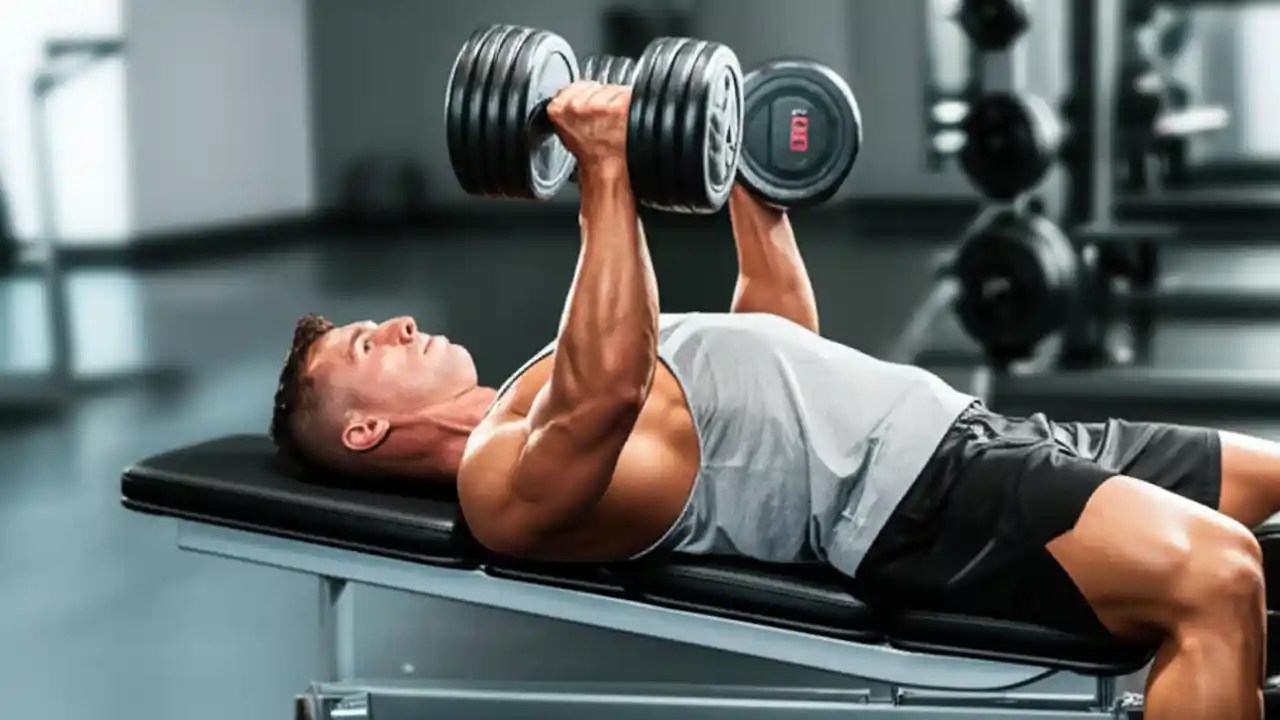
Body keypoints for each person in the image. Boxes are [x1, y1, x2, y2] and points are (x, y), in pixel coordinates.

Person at [271, 81, 1271, 719]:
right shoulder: (501, 480)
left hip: (977, 439)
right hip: (921, 502)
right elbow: (609, 389)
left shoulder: (548, 367)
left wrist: (747, 177)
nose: (398, 327)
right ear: (365, 428)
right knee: (1217, 579)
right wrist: (605, 169)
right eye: (370, 344)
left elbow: (780, 332)